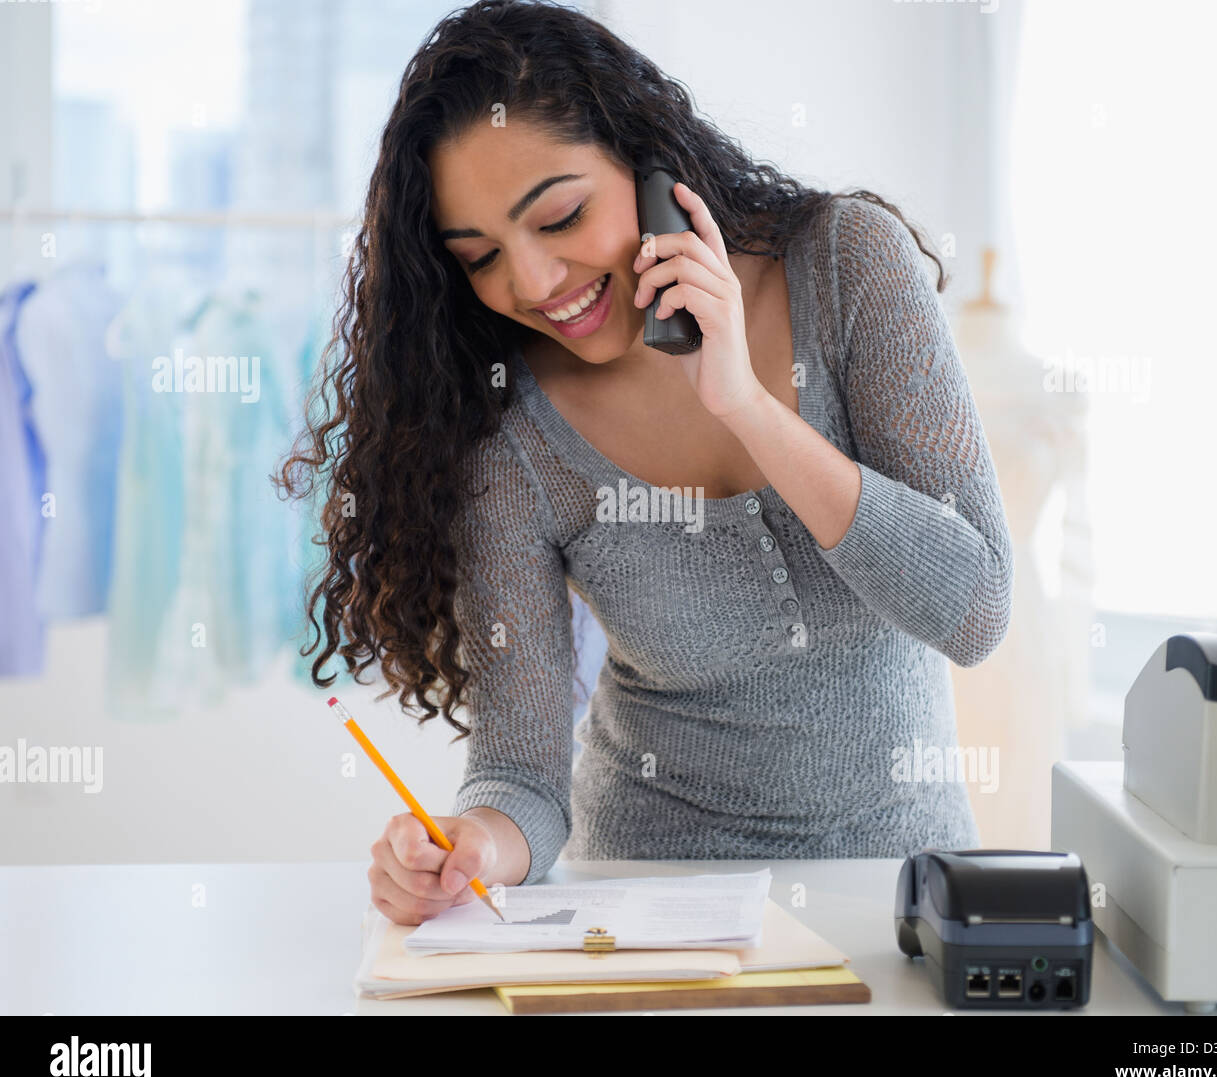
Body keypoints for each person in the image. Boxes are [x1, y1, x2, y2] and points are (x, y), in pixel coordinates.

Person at [276, 0, 1014, 926]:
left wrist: (745, 403)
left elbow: (974, 608)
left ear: (646, 157)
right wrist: (474, 850)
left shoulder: (848, 266)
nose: (535, 284)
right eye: (482, 258)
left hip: (899, 896)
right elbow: (522, 777)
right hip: (654, 914)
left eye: (562, 216)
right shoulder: (511, 441)